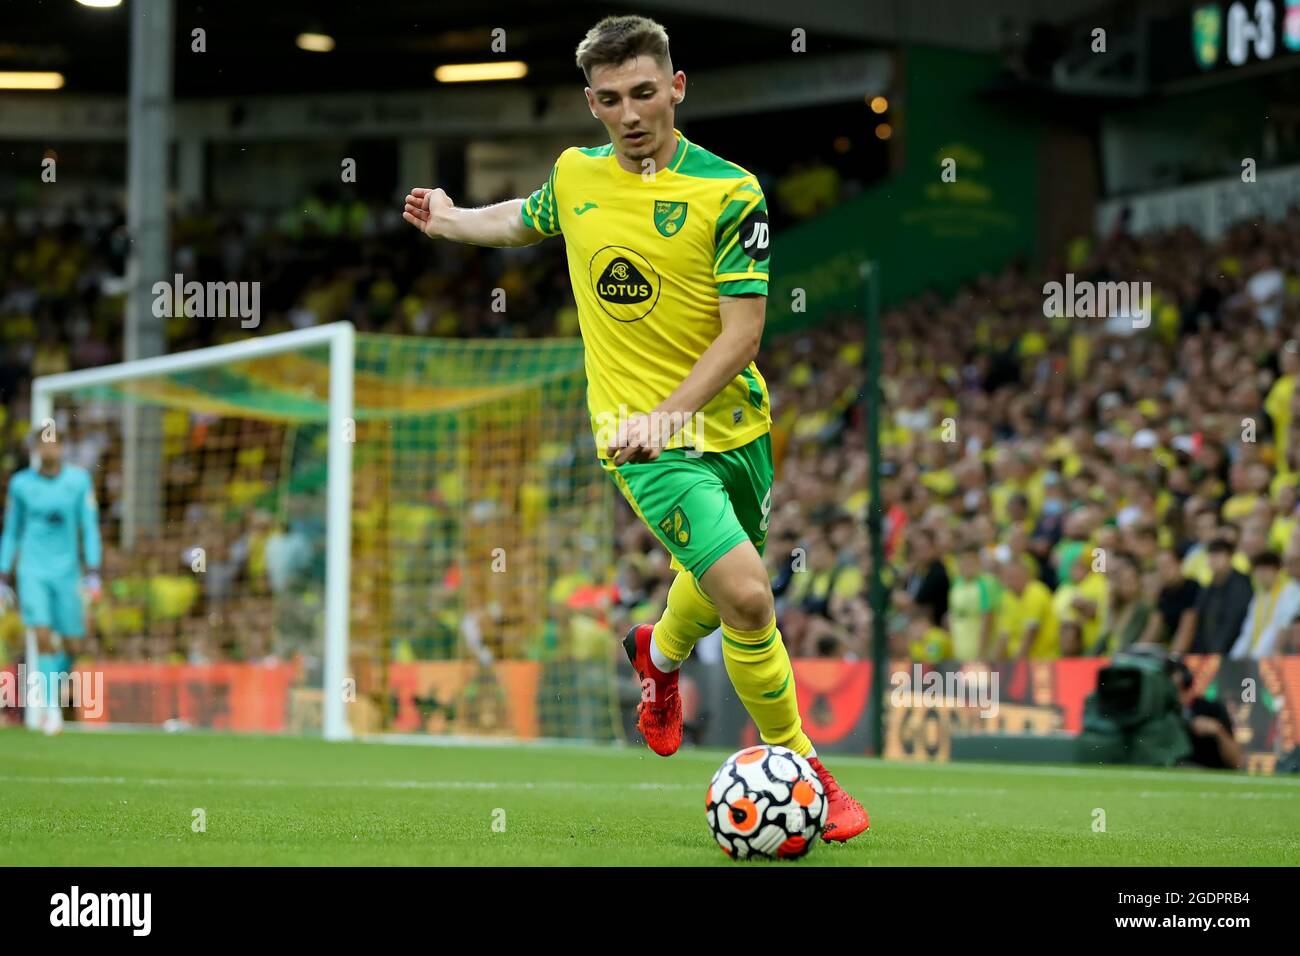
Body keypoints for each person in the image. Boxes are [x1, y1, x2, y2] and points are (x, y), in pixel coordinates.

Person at [400, 14, 867, 841]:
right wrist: (448, 218)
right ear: (591, 103)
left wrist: (672, 414)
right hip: (640, 439)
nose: (630, 113)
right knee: (751, 598)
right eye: (611, 99)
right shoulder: (578, 178)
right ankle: (805, 767)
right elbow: (525, 217)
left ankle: (657, 654)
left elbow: (744, 334)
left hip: (735, 427)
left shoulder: (730, 191)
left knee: (722, 575)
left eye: (645, 92)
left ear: (676, 89)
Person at [0, 427, 102, 734]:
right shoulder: (21, 484)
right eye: (43, 445)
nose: (49, 450)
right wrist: (3, 573)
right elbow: (12, 530)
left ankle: (53, 694)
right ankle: (50, 708)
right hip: (32, 569)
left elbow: (90, 526)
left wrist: (94, 570)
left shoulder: (79, 481)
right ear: (34, 449)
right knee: (42, 636)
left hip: (68, 572)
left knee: (73, 642)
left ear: (62, 447)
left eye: (54, 443)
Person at [1169, 658, 1243, 770]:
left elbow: (1237, 762)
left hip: (1206, 771)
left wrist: (1218, 731)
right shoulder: (1155, 710)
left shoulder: (1211, 709)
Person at [1183, 538, 1254, 654]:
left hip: (1231, 654)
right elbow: (1199, 623)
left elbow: (1233, 622)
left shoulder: (1241, 585)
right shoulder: (1208, 588)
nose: (1214, 560)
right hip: (1207, 654)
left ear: (1230, 557)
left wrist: (1217, 652)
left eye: (1219, 555)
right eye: (1211, 555)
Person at [1227, 551, 1300, 659]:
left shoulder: (1291, 591)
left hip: (1279, 655)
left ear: (1277, 571)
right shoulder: (1258, 597)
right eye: (1258, 571)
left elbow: (1280, 626)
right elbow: (1248, 631)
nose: (1261, 576)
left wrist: (1256, 657)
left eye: (1265, 571)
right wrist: (1234, 658)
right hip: (1257, 657)